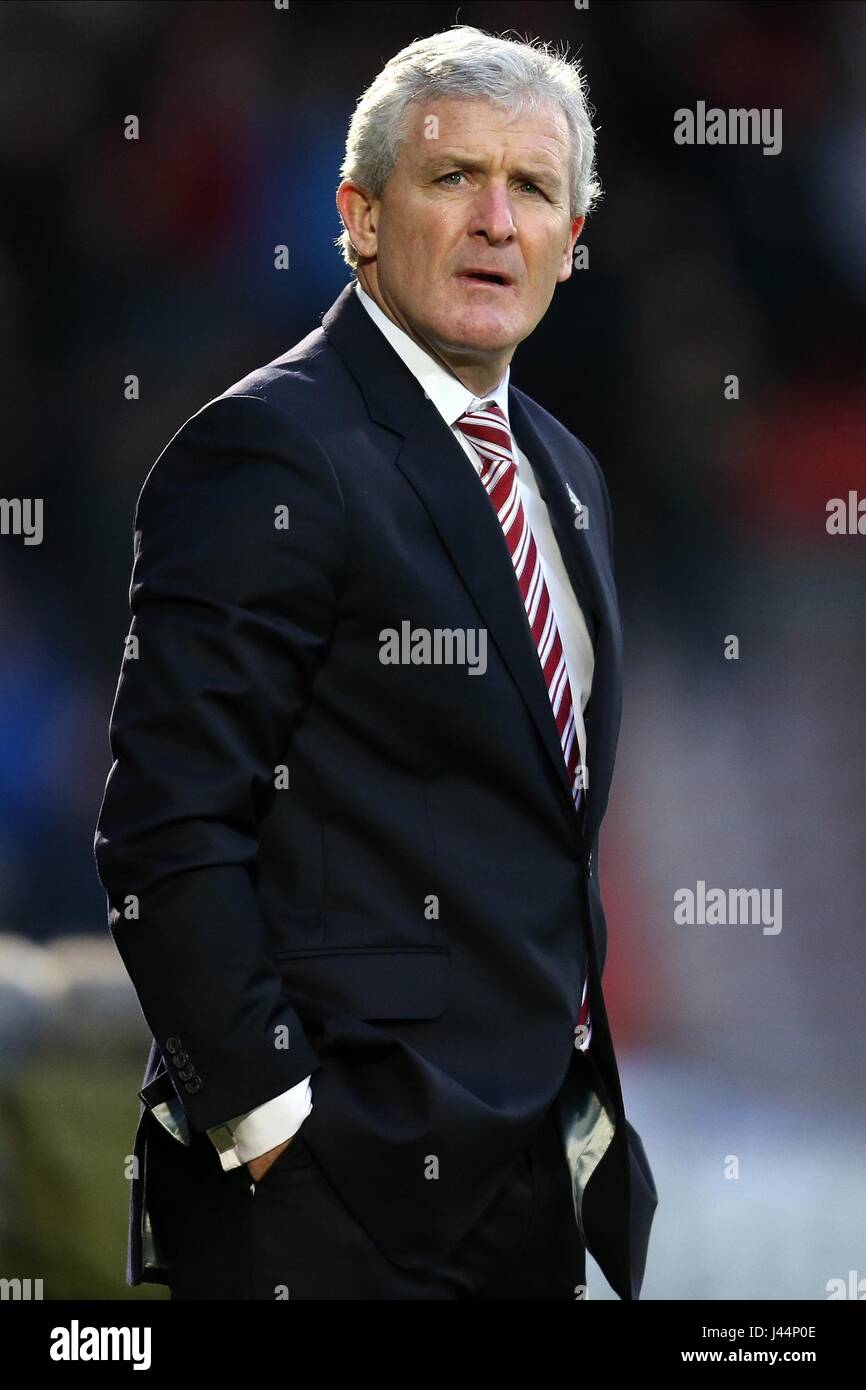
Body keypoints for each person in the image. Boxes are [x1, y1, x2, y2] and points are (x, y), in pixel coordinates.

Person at [94, 24, 657, 1300]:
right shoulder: (268, 451)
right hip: (330, 1204)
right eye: (453, 178)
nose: (496, 222)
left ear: (574, 240)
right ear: (356, 216)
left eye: (533, 190)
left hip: (523, 1185)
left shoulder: (566, 475)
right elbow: (163, 829)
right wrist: (271, 1126)